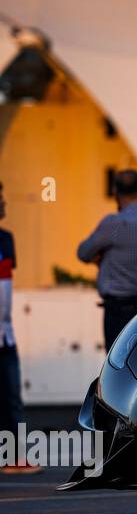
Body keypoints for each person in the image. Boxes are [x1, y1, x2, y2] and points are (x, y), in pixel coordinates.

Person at [76, 169, 137, 349]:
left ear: (116, 194)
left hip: (118, 313)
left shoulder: (115, 224)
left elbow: (83, 252)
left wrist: (101, 259)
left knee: (117, 370)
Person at [0, 180, 40, 474]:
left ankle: (13, 456)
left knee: (12, 395)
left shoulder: (6, 239)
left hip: (5, 333)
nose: (4, 203)